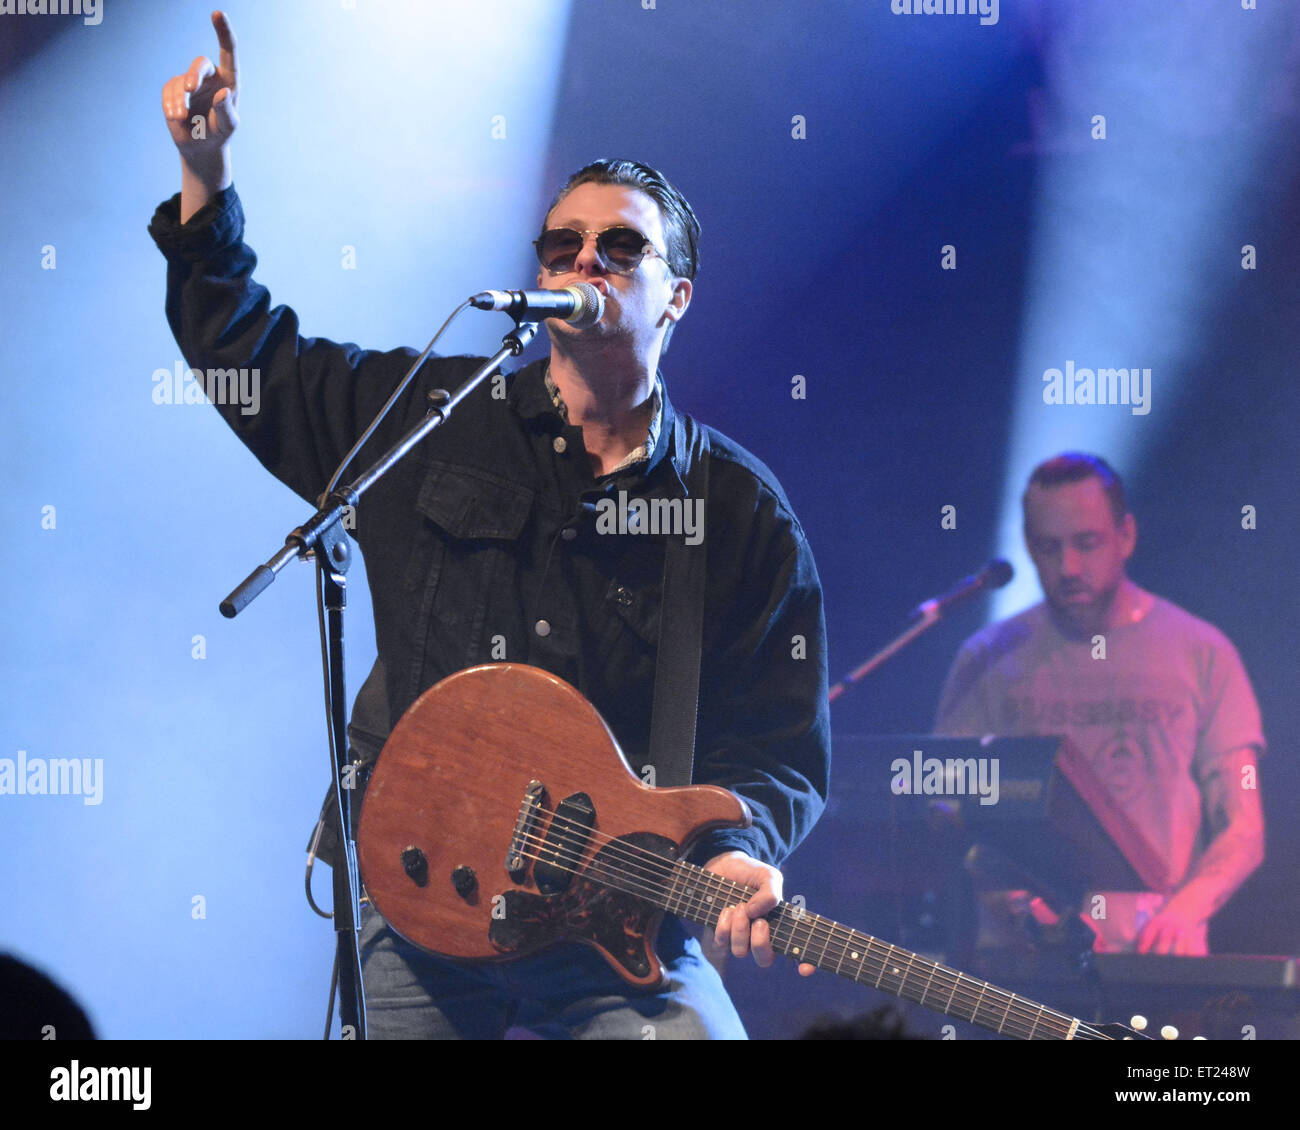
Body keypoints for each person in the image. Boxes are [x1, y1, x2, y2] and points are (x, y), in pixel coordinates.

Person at [150, 11, 828, 1038]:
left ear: (676, 295)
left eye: (618, 248)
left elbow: (780, 739)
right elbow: (252, 359)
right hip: (423, 898)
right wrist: (206, 176)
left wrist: (734, 850)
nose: (582, 262)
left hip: (617, 922)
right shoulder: (429, 421)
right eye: (562, 244)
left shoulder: (736, 511)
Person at [934, 453, 1265, 956]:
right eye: (1048, 548)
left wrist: (1184, 911)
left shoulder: (1202, 653)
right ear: (1026, 546)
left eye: (1086, 543)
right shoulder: (988, 658)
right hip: (1017, 975)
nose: (1068, 568)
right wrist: (1001, 891)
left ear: (1126, 537)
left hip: (1156, 967)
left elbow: (1244, 825)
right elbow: (942, 803)